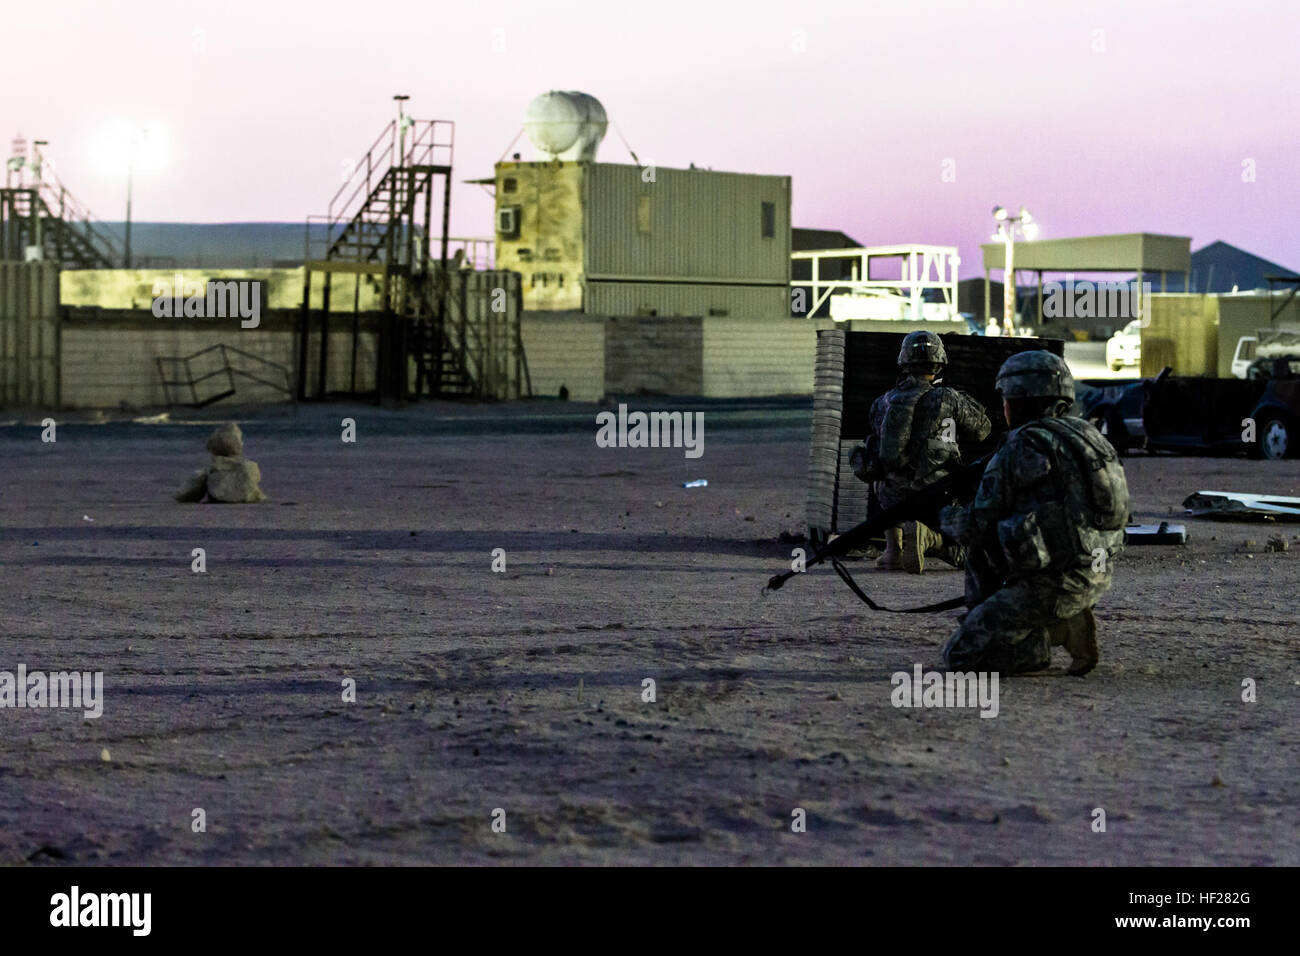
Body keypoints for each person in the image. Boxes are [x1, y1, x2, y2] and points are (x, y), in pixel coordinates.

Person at [938, 350, 1130, 676]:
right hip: (1097, 575)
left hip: (1050, 587)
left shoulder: (1020, 446)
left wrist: (942, 517)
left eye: (1006, 399)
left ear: (1019, 399)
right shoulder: (1089, 437)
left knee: (958, 657)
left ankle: (1049, 635)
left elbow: (974, 527)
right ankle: (1066, 617)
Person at [853, 330, 992, 573]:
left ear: (904, 363)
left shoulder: (883, 402)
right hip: (940, 495)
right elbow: (982, 432)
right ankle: (930, 539)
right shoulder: (949, 397)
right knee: (973, 556)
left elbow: (881, 455)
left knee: (885, 479)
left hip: (893, 498)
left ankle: (893, 551)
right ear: (939, 364)